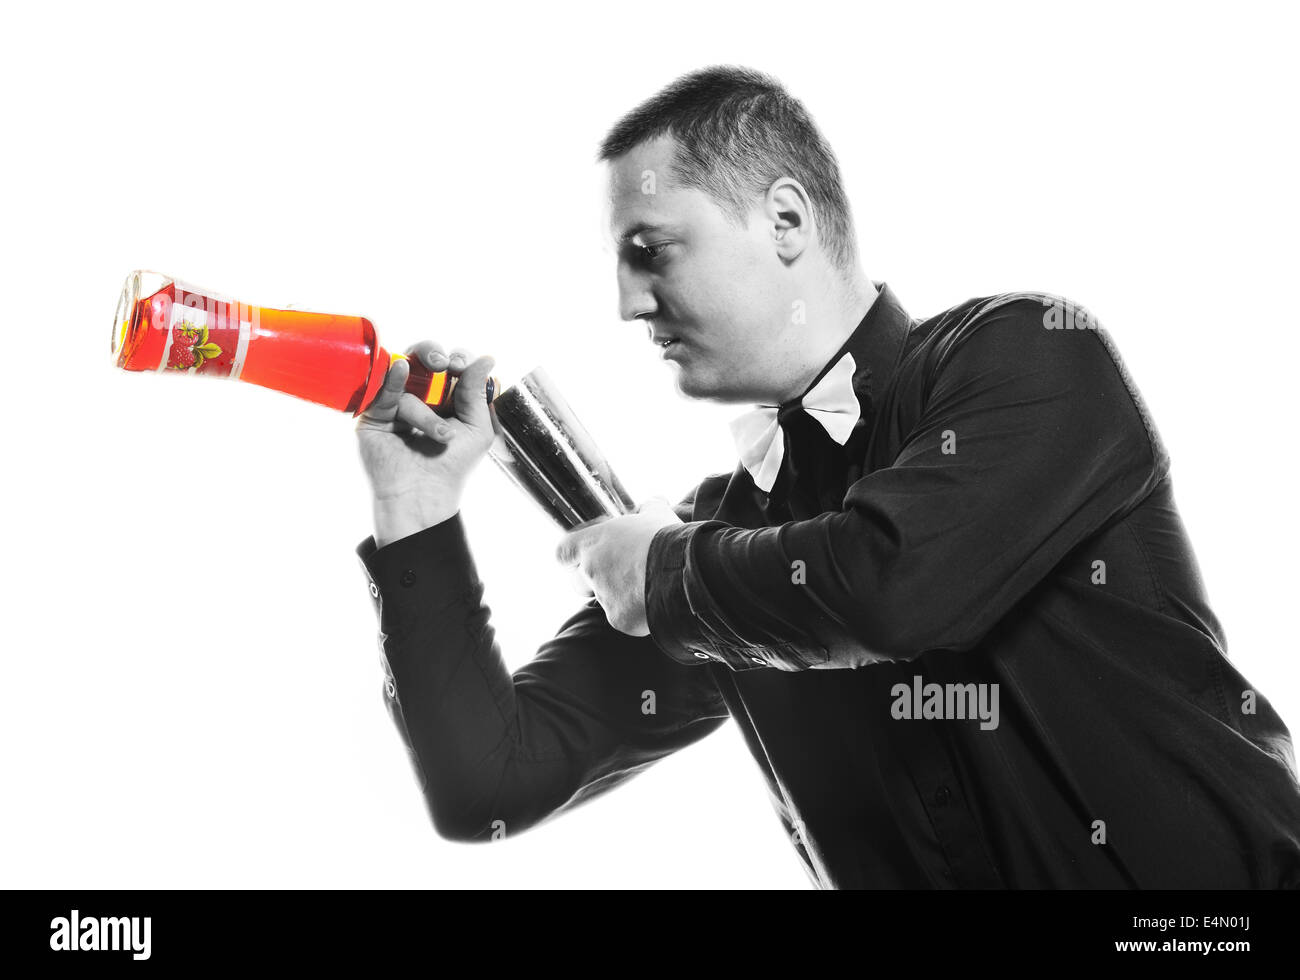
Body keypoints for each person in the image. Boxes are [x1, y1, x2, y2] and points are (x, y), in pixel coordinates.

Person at [352, 65, 1300, 888]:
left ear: (787, 220)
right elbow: (490, 781)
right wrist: (415, 508)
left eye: (651, 251)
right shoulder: (723, 546)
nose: (626, 303)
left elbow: (896, 588)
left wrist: (666, 575)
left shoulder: (1031, 355)